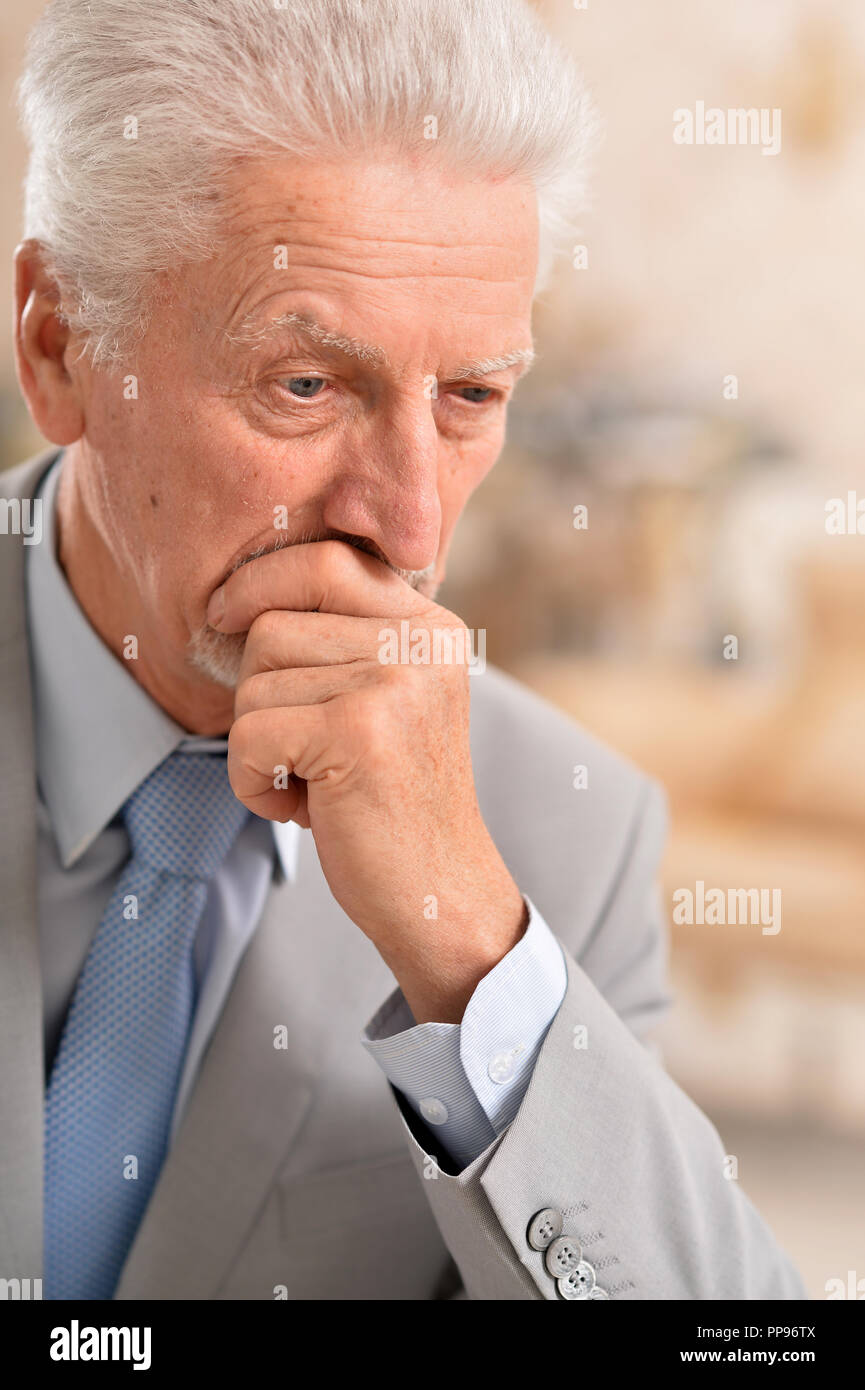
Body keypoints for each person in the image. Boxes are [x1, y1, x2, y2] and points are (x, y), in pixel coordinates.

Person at [0, 0, 805, 1300]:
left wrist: (473, 953)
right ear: (57, 344)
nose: (412, 522)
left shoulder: (569, 838)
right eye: (306, 385)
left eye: (472, 397)